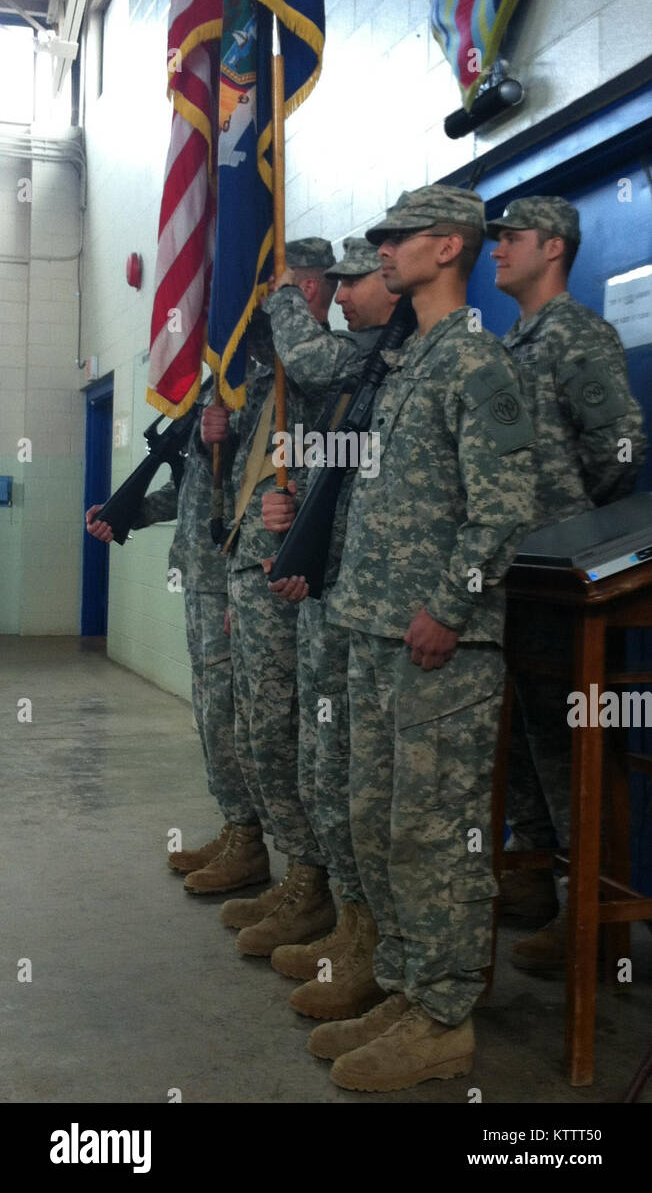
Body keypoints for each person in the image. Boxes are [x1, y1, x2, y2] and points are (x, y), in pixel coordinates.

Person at [307, 183, 538, 1093]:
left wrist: (451, 606)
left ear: (448, 246)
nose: (383, 250)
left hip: (440, 643)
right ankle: (404, 988)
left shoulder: (478, 365)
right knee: (377, 826)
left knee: (434, 835)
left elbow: (504, 510)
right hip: (372, 633)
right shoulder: (406, 365)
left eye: (397, 237)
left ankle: (444, 1016)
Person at [488, 195, 646, 968]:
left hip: (565, 580)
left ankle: (583, 907)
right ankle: (529, 882)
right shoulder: (514, 340)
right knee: (517, 729)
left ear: (553, 247)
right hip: (516, 576)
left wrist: (573, 529)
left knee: (563, 736)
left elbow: (619, 445)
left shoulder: (575, 333)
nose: (496, 250)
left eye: (510, 238)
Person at [206, 237, 375, 958]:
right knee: (264, 732)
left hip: (329, 585)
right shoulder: (276, 377)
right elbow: (252, 475)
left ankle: (332, 899)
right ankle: (300, 871)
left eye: (342, 286)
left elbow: (337, 464)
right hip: (267, 573)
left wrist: (297, 505)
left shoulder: (343, 360)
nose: (337, 298)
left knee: (300, 739)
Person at [260, 238, 402, 1021]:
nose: (345, 296)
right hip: (332, 593)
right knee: (324, 767)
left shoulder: (382, 357)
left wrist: (283, 294)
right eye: (338, 284)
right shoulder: (362, 364)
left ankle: (374, 943)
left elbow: (314, 365)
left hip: (378, 604)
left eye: (355, 283)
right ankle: (347, 923)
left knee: (360, 780)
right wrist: (287, 506)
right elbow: (324, 455)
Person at [85, 378, 268, 896]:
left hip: (231, 578)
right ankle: (238, 829)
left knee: (229, 713)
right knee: (210, 711)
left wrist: (227, 439)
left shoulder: (250, 390)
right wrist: (126, 514)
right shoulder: (212, 387)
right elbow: (189, 491)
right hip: (199, 575)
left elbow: (255, 487)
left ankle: (251, 844)